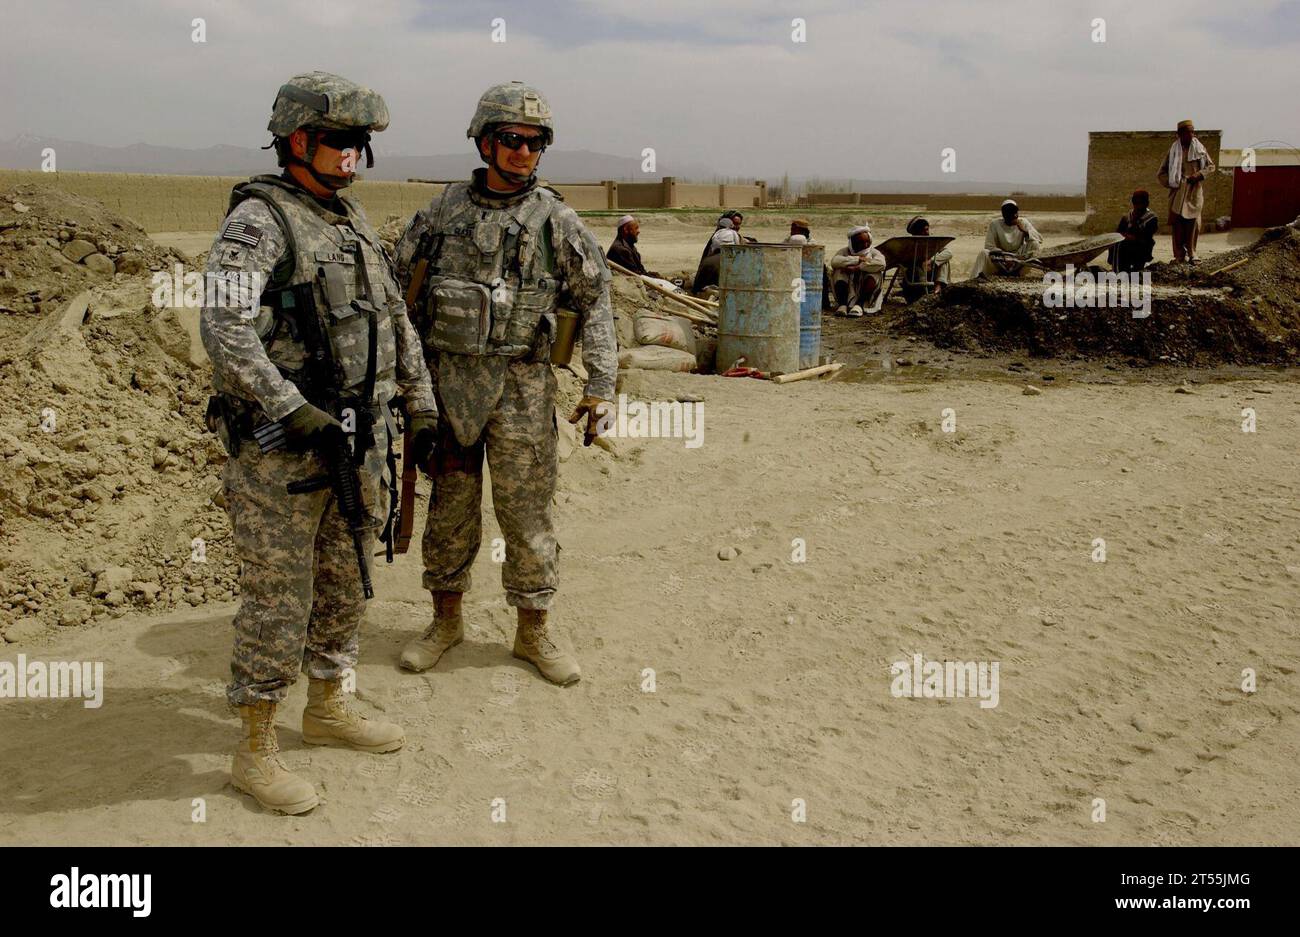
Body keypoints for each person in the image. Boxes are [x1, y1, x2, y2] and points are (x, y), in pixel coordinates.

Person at [199, 72, 438, 815]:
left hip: (358, 438)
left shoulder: (352, 220)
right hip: (283, 449)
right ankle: (255, 747)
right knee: (279, 597)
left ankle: (329, 703)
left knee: (343, 579)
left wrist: (421, 403)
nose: (352, 157)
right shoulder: (260, 219)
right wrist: (288, 406)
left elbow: (393, 316)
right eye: (339, 141)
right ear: (298, 139)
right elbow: (223, 325)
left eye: (361, 145)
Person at [394, 82, 618, 686]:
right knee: (449, 511)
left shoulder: (556, 219)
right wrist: (406, 383)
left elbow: (593, 302)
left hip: (522, 389)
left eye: (535, 142)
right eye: (512, 140)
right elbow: (399, 298)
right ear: (486, 142)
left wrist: (602, 385)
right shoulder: (442, 213)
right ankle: (445, 622)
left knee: (526, 515)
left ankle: (532, 630)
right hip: (449, 388)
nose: (524, 152)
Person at [1158, 119, 1215, 263]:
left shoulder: (1200, 149)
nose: (1191, 135)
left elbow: (1210, 166)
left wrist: (1199, 175)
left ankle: (1192, 253)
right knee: (1178, 224)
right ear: (1180, 134)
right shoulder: (1173, 151)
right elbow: (1161, 173)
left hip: (1194, 191)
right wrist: (1173, 183)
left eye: (1192, 132)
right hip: (1178, 193)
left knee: (1193, 223)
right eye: (1187, 132)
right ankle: (1179, 255)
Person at [969, 199, 1042, 277]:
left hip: (1018, 258)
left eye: (1016, 214)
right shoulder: (995, 224)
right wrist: (1003, 257)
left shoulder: (1023, 222)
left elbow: (1039, 239)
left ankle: (1018, 273)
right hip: (1000, 259)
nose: (1015, 218)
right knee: (983, 253)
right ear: (1005, 216)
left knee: (1035, 244)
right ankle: (973, 279)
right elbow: (989, 246)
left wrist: (1024, 230)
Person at [828, 224, 886, 316]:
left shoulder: (873, 252)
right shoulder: (845, 251)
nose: (865, 245)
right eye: (860, 242)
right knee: (838, 271)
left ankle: (860, 305)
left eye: (867, 242)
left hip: (865, 291)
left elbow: (881, 264)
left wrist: (858, 268)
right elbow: (835, 261)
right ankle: (843, 305)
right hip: (848, 287)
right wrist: (857, 259)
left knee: (875, 273)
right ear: (853, 242)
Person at [692, 211, 744, 293]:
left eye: (738, 224)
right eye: (734, 223)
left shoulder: (734, 237)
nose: (736, 227)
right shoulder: (717, 239)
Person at [1109, 189, 1159, 272]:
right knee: (1116, 244)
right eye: (1136, 203)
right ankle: (1119, 271)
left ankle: (1134, 268)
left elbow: (1146, 237)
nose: (1138, 206)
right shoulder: (1127, 217)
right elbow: (1118, 233)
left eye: (1141, 203)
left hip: (1142, 246)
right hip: (1126, 245)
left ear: (1146, 203)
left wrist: (1132, 234)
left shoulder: (1151, 218)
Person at [904, 215, 953, 298]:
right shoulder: (910, 244)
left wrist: (931, 261)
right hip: (917, 273)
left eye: (927, 229)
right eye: (925, 230)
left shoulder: (931, 242)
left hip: (930, 269)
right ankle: (929, 291)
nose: (927, 232)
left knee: (944, 260)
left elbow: (949, 253)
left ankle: (938, 286)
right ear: (918, 231)